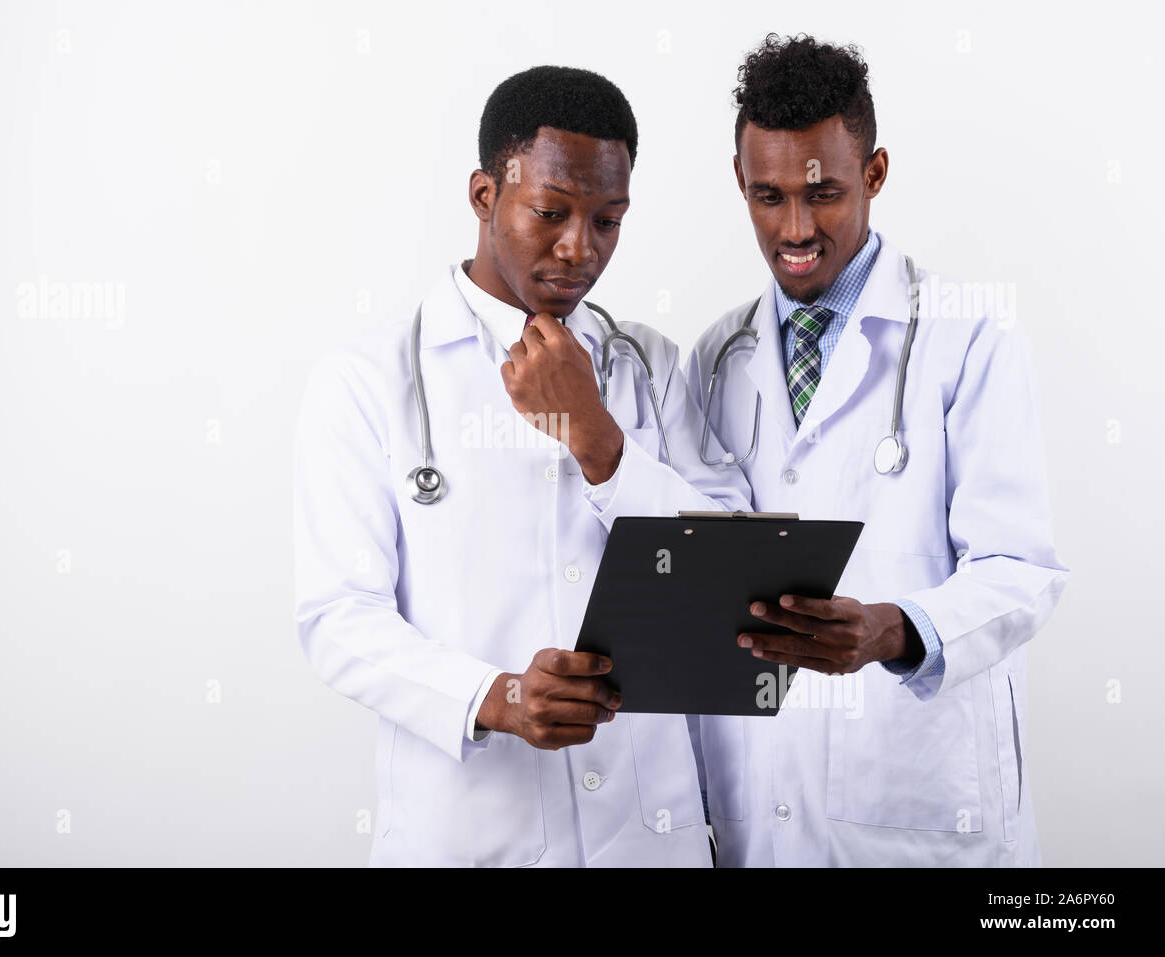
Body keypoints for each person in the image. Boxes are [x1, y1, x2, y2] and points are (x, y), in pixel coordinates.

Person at [294, 65, 752, 867]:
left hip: (650, 838)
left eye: (609, 220)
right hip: (476, 833)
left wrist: (598, 440)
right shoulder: (369, 383)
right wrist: (497, 697)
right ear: (483, 195)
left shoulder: (648, 367)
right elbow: (338, 618)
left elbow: (738, 577)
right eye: (551, 212)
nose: (581, 249)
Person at [687, 34, 1068, 866]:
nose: (794, 228)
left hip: (919, 803)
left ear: (877, 173)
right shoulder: (716, 357)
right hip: (759, 809)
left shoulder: (970, 335)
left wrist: (898, 629)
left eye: (822, 194)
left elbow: (1022, 568)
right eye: (768, 196)